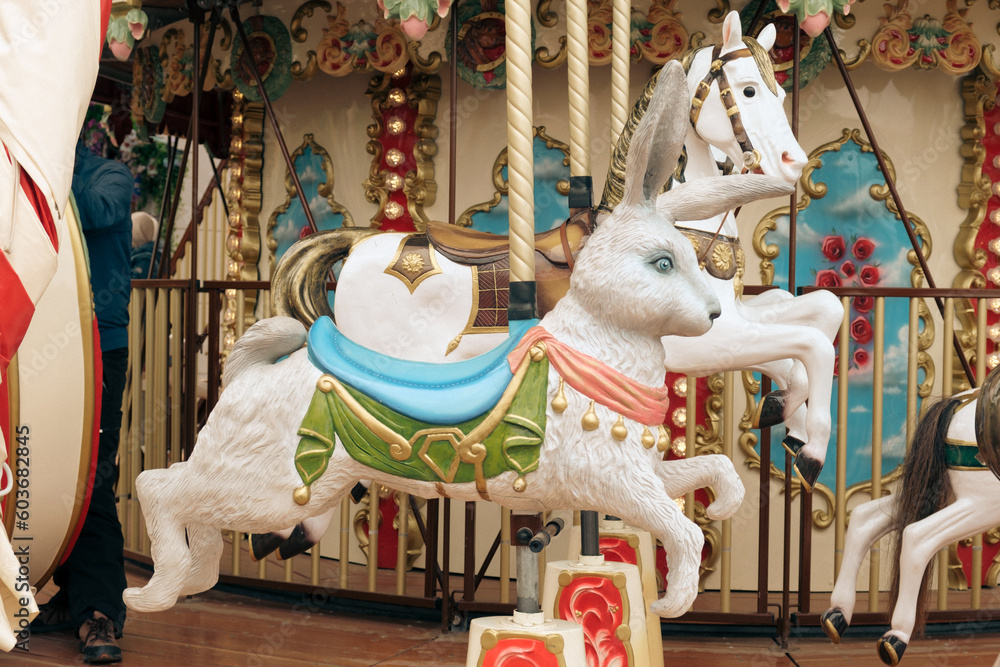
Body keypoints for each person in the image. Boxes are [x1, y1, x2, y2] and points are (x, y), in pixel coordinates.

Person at [30, 140, 133, 664]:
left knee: (91, 476)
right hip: (44, 349)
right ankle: (71, 596)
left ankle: (100, 612)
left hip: (98, 350)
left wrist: (50, 168)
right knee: (48, 473)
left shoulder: (109, 174)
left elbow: (101, 210)